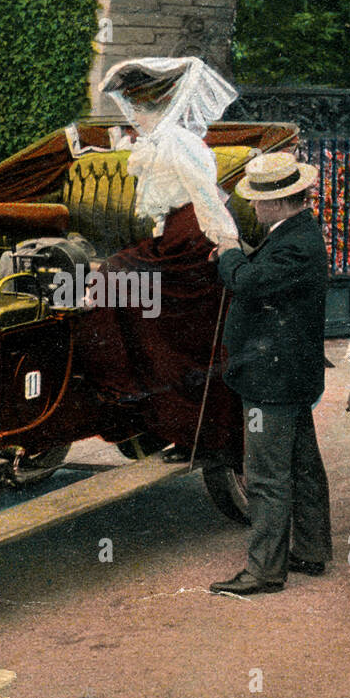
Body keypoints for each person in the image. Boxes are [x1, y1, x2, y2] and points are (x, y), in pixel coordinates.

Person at [78, 56, 245, 461]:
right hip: (174, 232)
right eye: (133, 109)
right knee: (123, 286)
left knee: (116, 278)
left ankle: (128, 389)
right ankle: (140, 400)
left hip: (192, 236)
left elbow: (204, 193)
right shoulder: (157, 140)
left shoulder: (177, 141)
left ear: (156, 107)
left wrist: (226, 241)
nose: (133, 117)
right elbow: (158, 206)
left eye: (138, 109)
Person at [209, 151, 332, 595]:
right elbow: (260, 273)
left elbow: (248, 282)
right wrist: (237, 254)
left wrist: (228, 254)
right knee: (301, 466)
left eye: (258, 202)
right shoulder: (297, 232)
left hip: (272, 378)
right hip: (288, 373)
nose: (254, 209)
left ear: (278, 203)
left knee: (265, 475)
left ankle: (264, 570)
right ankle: (312, 551)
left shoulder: (296, 241)